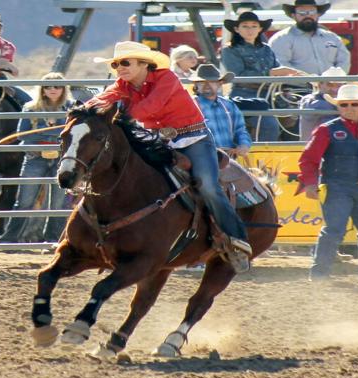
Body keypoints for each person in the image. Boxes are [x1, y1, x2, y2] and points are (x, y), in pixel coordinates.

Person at [85, 41, 253, 272]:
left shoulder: (167, 78)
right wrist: (83, 113)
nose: (119, 68)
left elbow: (152, 106)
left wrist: (120, 116)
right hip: (159, 141)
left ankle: (237, 241)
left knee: (207, 186)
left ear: (145, 64)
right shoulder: (122, 85)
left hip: (194, 140)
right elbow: (102, 99)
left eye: (125, 63)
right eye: (115, 64)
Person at [298, 83, 358, 284]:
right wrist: (309, 183)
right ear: (338, 107)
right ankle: (320, 275)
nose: (349, 108)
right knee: (334, 230)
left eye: (354, 104)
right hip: (337, 188)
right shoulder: (327, 130)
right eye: (344, 105)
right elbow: (309, 159)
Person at [0, 73, 75, 244]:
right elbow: (23, 135)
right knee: (25, 200)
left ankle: (53, 239)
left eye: (57, 86)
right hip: (35, 157)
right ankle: (9, 239)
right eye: (48, 86)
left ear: (64, 89)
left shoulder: (72, 107)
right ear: (42, 89)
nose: (53, 90)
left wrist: (41, 130)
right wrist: (59, 132)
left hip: (62, 159)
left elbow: (74, 135)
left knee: (58, 202)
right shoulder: (31, 107)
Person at [221, 10, 294, 143]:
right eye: (245, 26)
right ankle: (264, 157)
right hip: (244, 95)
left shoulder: (266, 49)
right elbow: (238, 74)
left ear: (260, 29)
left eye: (254, 26)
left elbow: (276, 69)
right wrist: (271, 74)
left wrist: (284, 83)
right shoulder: (229, 50)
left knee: (294, 116)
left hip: (270, 94)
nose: (250, 30)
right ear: (237, 29)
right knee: (268, 124)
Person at [269, 3, 348, 83]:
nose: (308, 16)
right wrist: (306, 80)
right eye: (302, 13)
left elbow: (344, 60)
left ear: (318, 14)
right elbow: (281, 64)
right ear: (293, 15)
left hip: (332, 88)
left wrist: (334, 80)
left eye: (312, 12)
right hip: (297, 90)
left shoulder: (332, 37)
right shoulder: (282, 39)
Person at [190, 64, 249, 159]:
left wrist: (244, 144)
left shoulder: (229, 105)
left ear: (220, 83)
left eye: (212, 81)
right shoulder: (190, 105)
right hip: (202, 158)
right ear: (196, 85)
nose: (206, 85)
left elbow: (240, 130)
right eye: (201, 82)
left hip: (229, 158)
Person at [297, 67, 344, 138]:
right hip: (314, 147)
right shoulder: (309, 100)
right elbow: (320, 106)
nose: (335, 89)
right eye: (330, 84)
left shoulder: (344, 103)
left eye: (339, 85)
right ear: (320, 85)